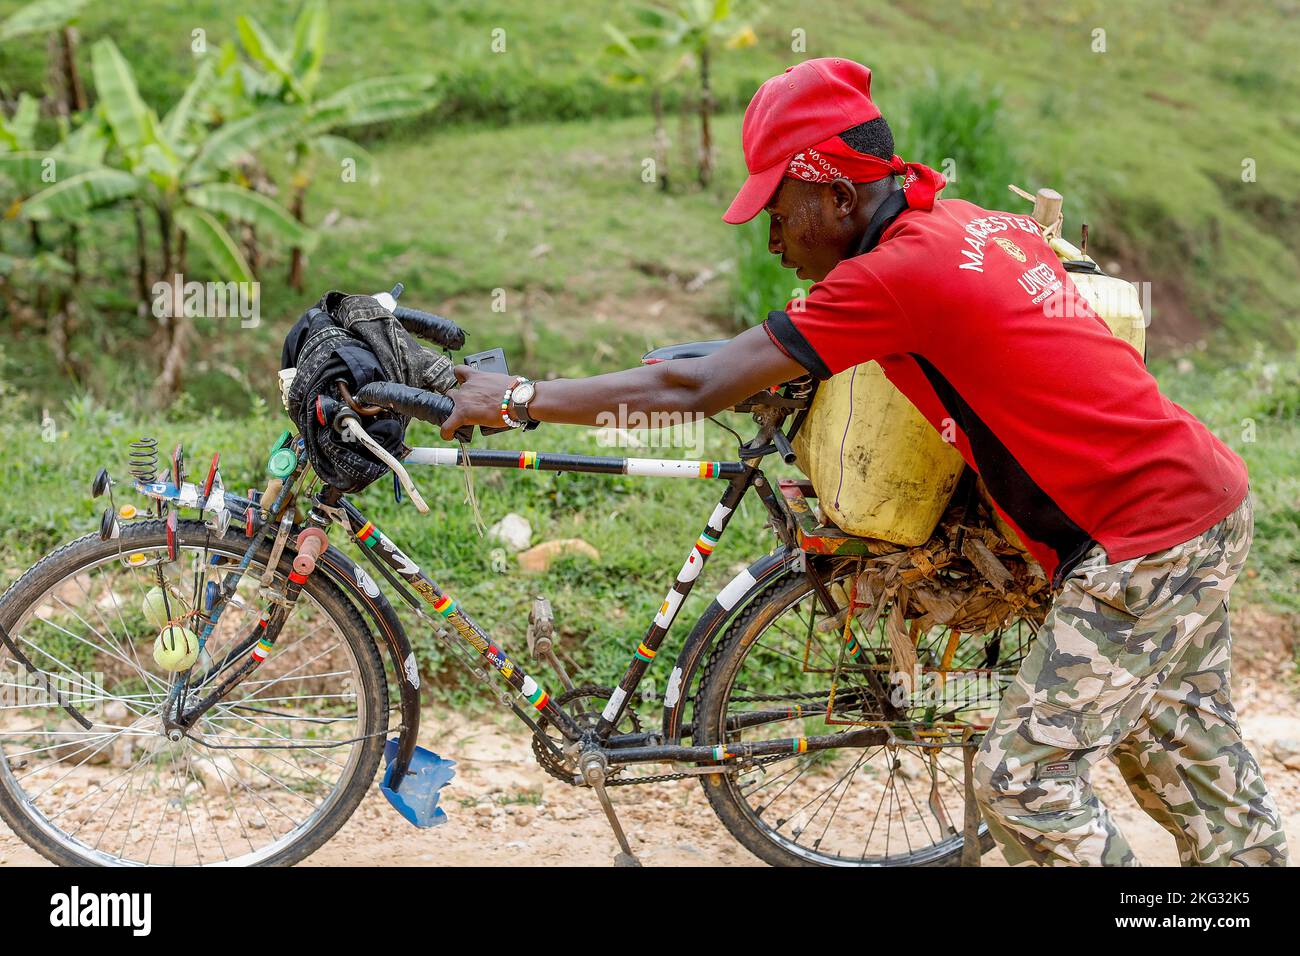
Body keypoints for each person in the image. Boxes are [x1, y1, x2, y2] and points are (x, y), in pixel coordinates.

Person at [432, 57, 1287, 866]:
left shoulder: (892, 274)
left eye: (778, 211)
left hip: (1144, 539)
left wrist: (517, 400)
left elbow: (696, 390)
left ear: (837, 195)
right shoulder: (965, 223)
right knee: (1187, 750)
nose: (773, 242)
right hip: (1200, 498)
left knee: (1022, 783)